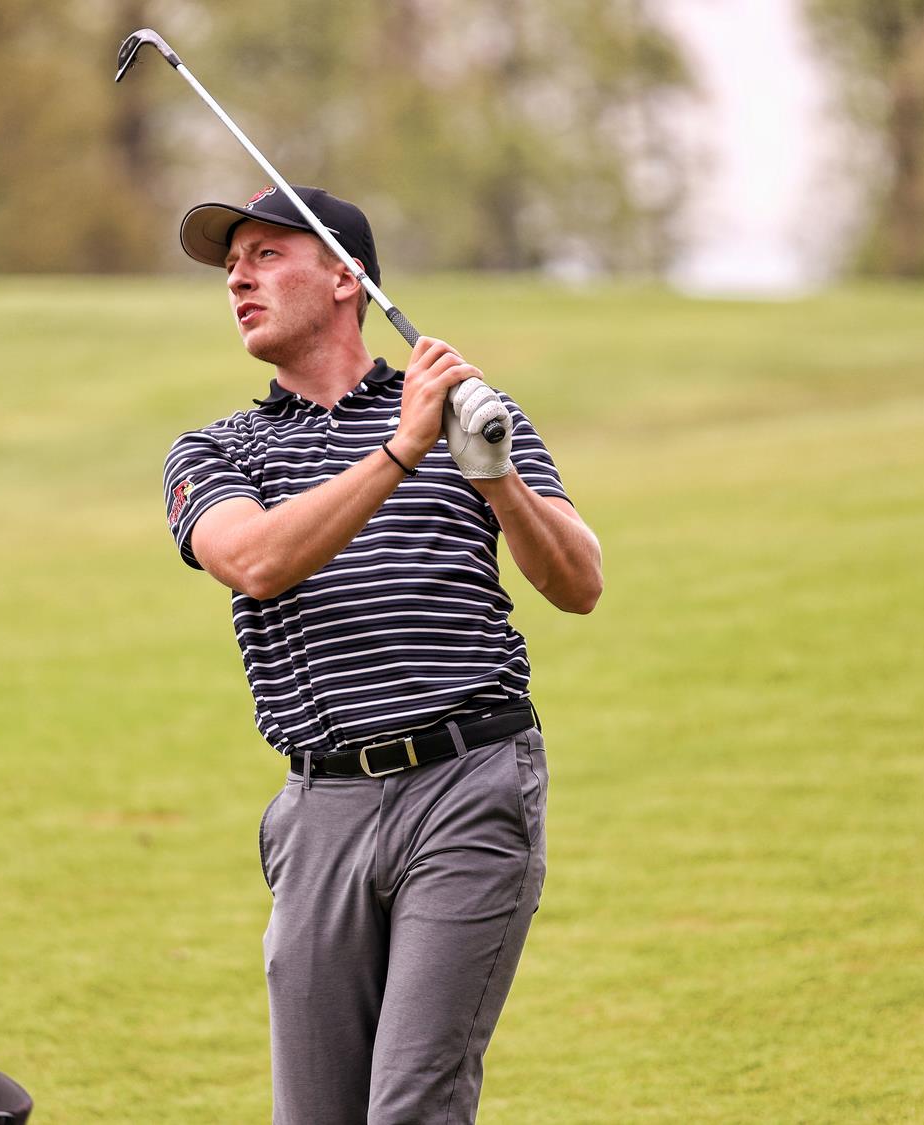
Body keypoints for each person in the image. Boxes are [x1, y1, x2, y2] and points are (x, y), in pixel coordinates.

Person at [160, 185, 603, 1125]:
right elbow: (257, 561)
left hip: (467, 782)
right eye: (231, 265)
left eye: (266, 254)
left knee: (411, 1107)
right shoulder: (215, 451)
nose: (237, 279)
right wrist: (403, 448)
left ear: (345, 278)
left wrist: (496, 474)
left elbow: (578, 581)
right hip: (321, 804)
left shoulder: (471, 417)